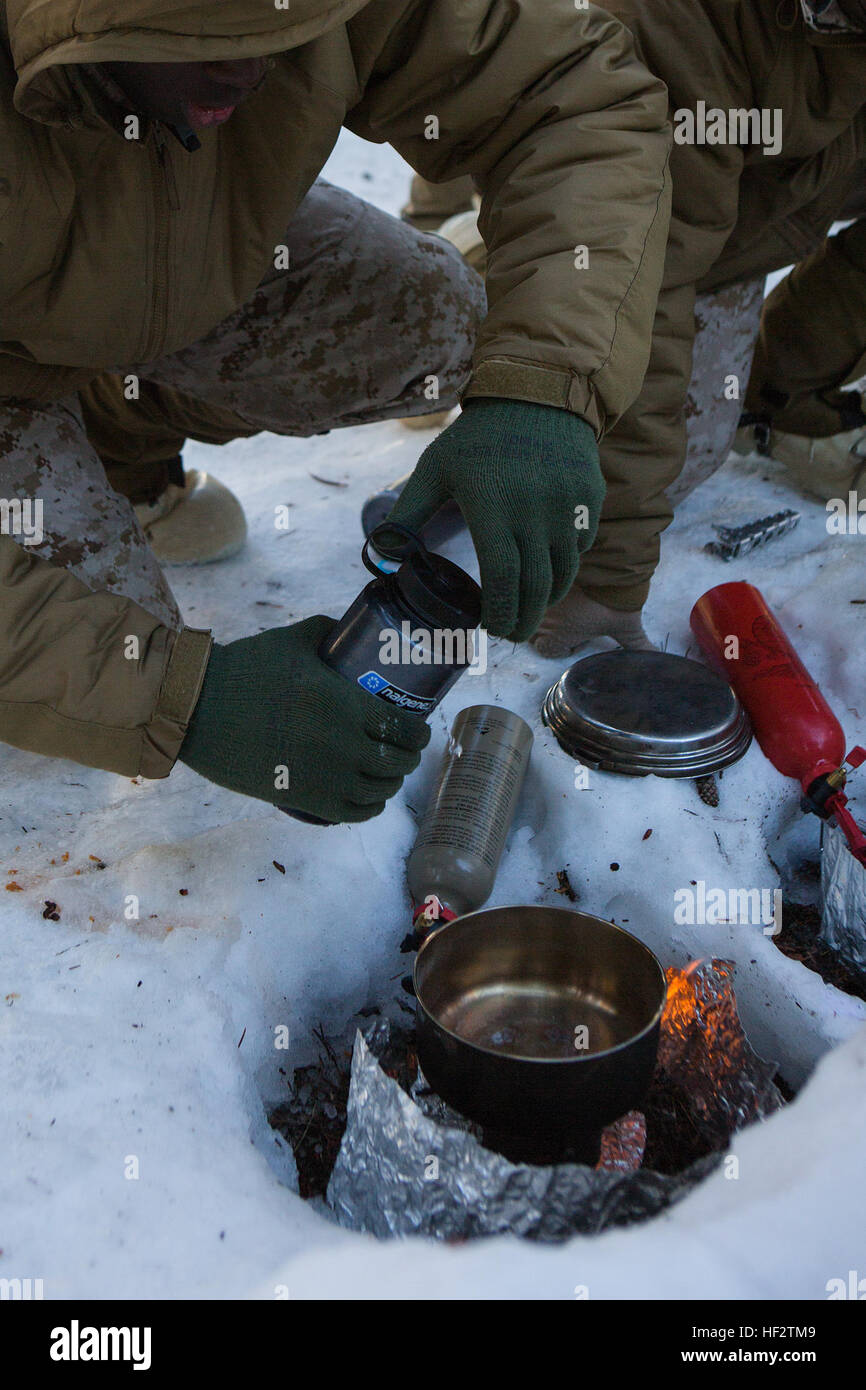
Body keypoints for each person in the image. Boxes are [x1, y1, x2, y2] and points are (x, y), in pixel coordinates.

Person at [0, 0, 671, 823]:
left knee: (441, 321)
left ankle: (114, 433)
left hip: (168, 261)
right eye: (208, 33)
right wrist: (181, 698)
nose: (252, 70)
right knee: (109, 661)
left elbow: (569, 92)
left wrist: (545, 388)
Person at [403, 0, 866, 655]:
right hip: (628, 230)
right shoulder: (683, 21)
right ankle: (505, 276)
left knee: (692, 432)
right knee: (674, 446)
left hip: (741, 223)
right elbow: (649, 266)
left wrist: (788, 393)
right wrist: (603, 576)